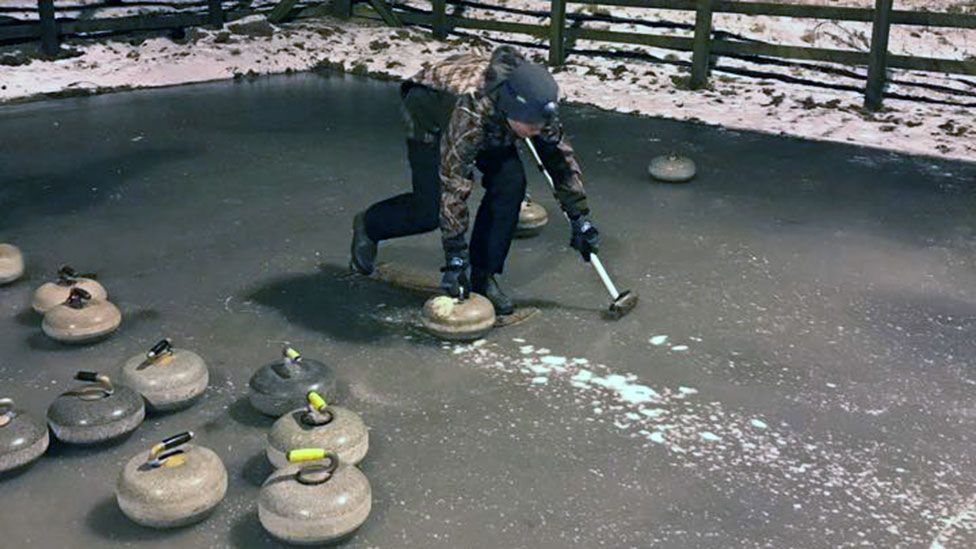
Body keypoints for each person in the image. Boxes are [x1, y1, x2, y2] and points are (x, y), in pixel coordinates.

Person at [349, 45, 600, 316]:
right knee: (429, 210)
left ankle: (484, 275)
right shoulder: (471, 113)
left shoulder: (537, 106)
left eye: (542, 125)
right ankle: (369, 225)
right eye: (532, 127)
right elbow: (454, 184)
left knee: (511, 183)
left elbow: (559, 159)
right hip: (428, 109)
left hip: (494, 120)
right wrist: (455, 259)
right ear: (511, 110)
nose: (537, 132)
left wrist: (579, 216)